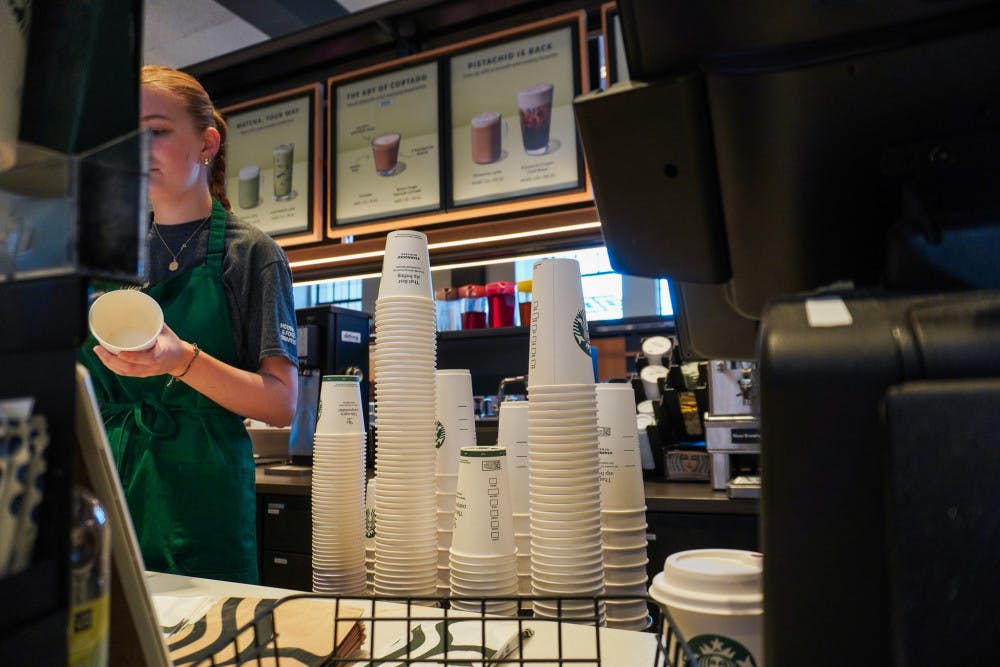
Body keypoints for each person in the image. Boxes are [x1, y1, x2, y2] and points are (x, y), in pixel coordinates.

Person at [78, 65, 299, 584]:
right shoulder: (103, 257)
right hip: (108, 481)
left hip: (202, 496)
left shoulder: (252, 256)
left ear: (207, 143)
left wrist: (181, 361)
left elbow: (280, 402)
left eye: (155, 132)